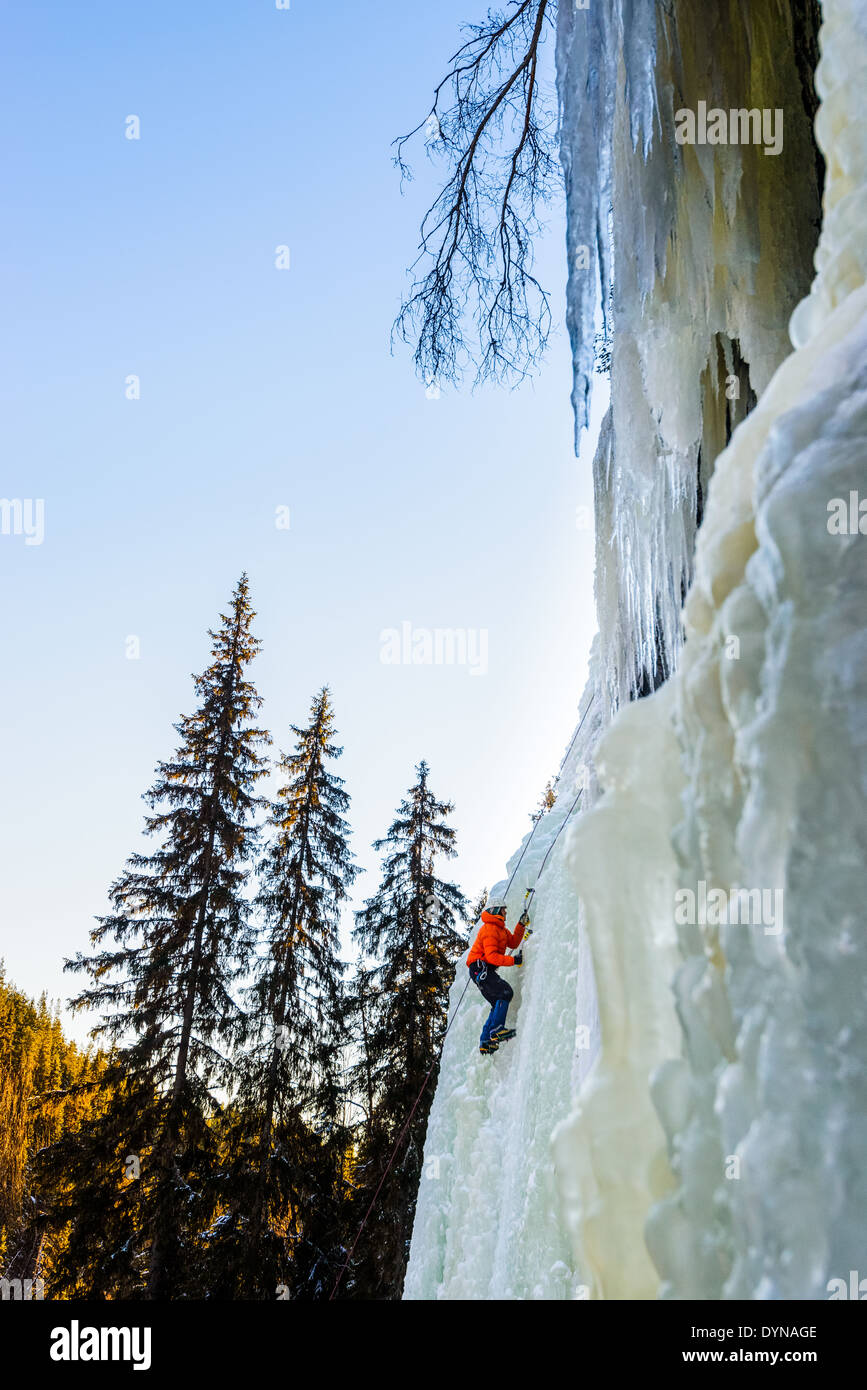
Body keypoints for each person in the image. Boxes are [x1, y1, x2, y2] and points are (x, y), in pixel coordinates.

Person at [467, 898, 530, 1054]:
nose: (505, 912)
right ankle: (496, 1030)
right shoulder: (489, 929)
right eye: (503, 909)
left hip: (481, 969)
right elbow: (491, 957)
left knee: (497, 1002)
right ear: (495, 910)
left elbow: (514, 942)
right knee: (505, 992)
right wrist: (513, 960)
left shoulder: (500, 929)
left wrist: (521, 925)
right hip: (480, 967)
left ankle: (486, 1041)